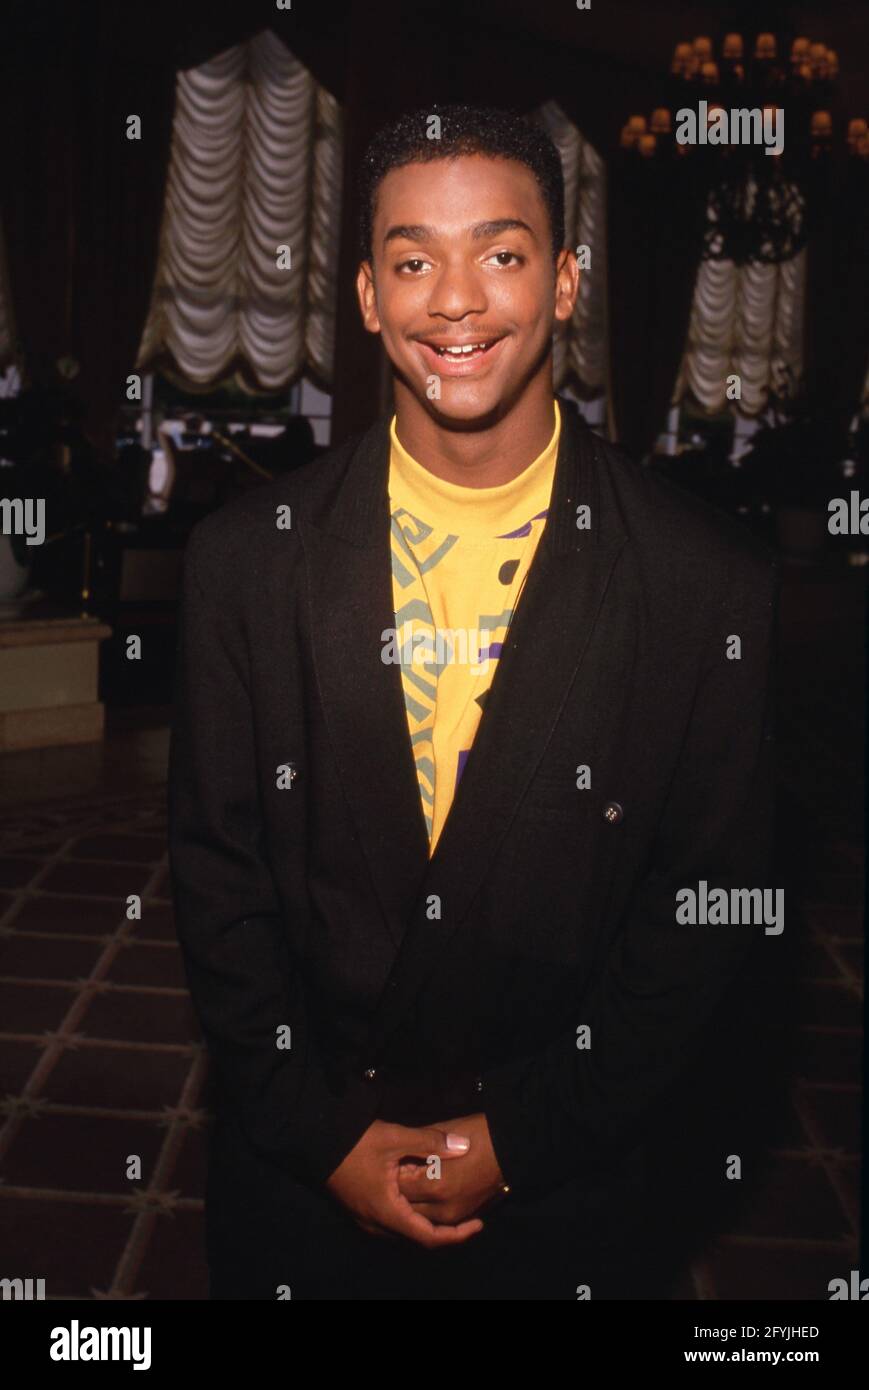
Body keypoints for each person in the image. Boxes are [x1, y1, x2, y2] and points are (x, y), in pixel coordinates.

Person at [168, 104, 778, 1300]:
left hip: (567, 1201)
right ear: (362, 294)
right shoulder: (245, 560)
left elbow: (696, 912)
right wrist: (325, 1132)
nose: (454, 300)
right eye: (411, 260)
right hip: (300, 1182)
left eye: (499, 254)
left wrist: (524, 1136)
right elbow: (215, 879)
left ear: (562, 283)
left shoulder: (704, 579)